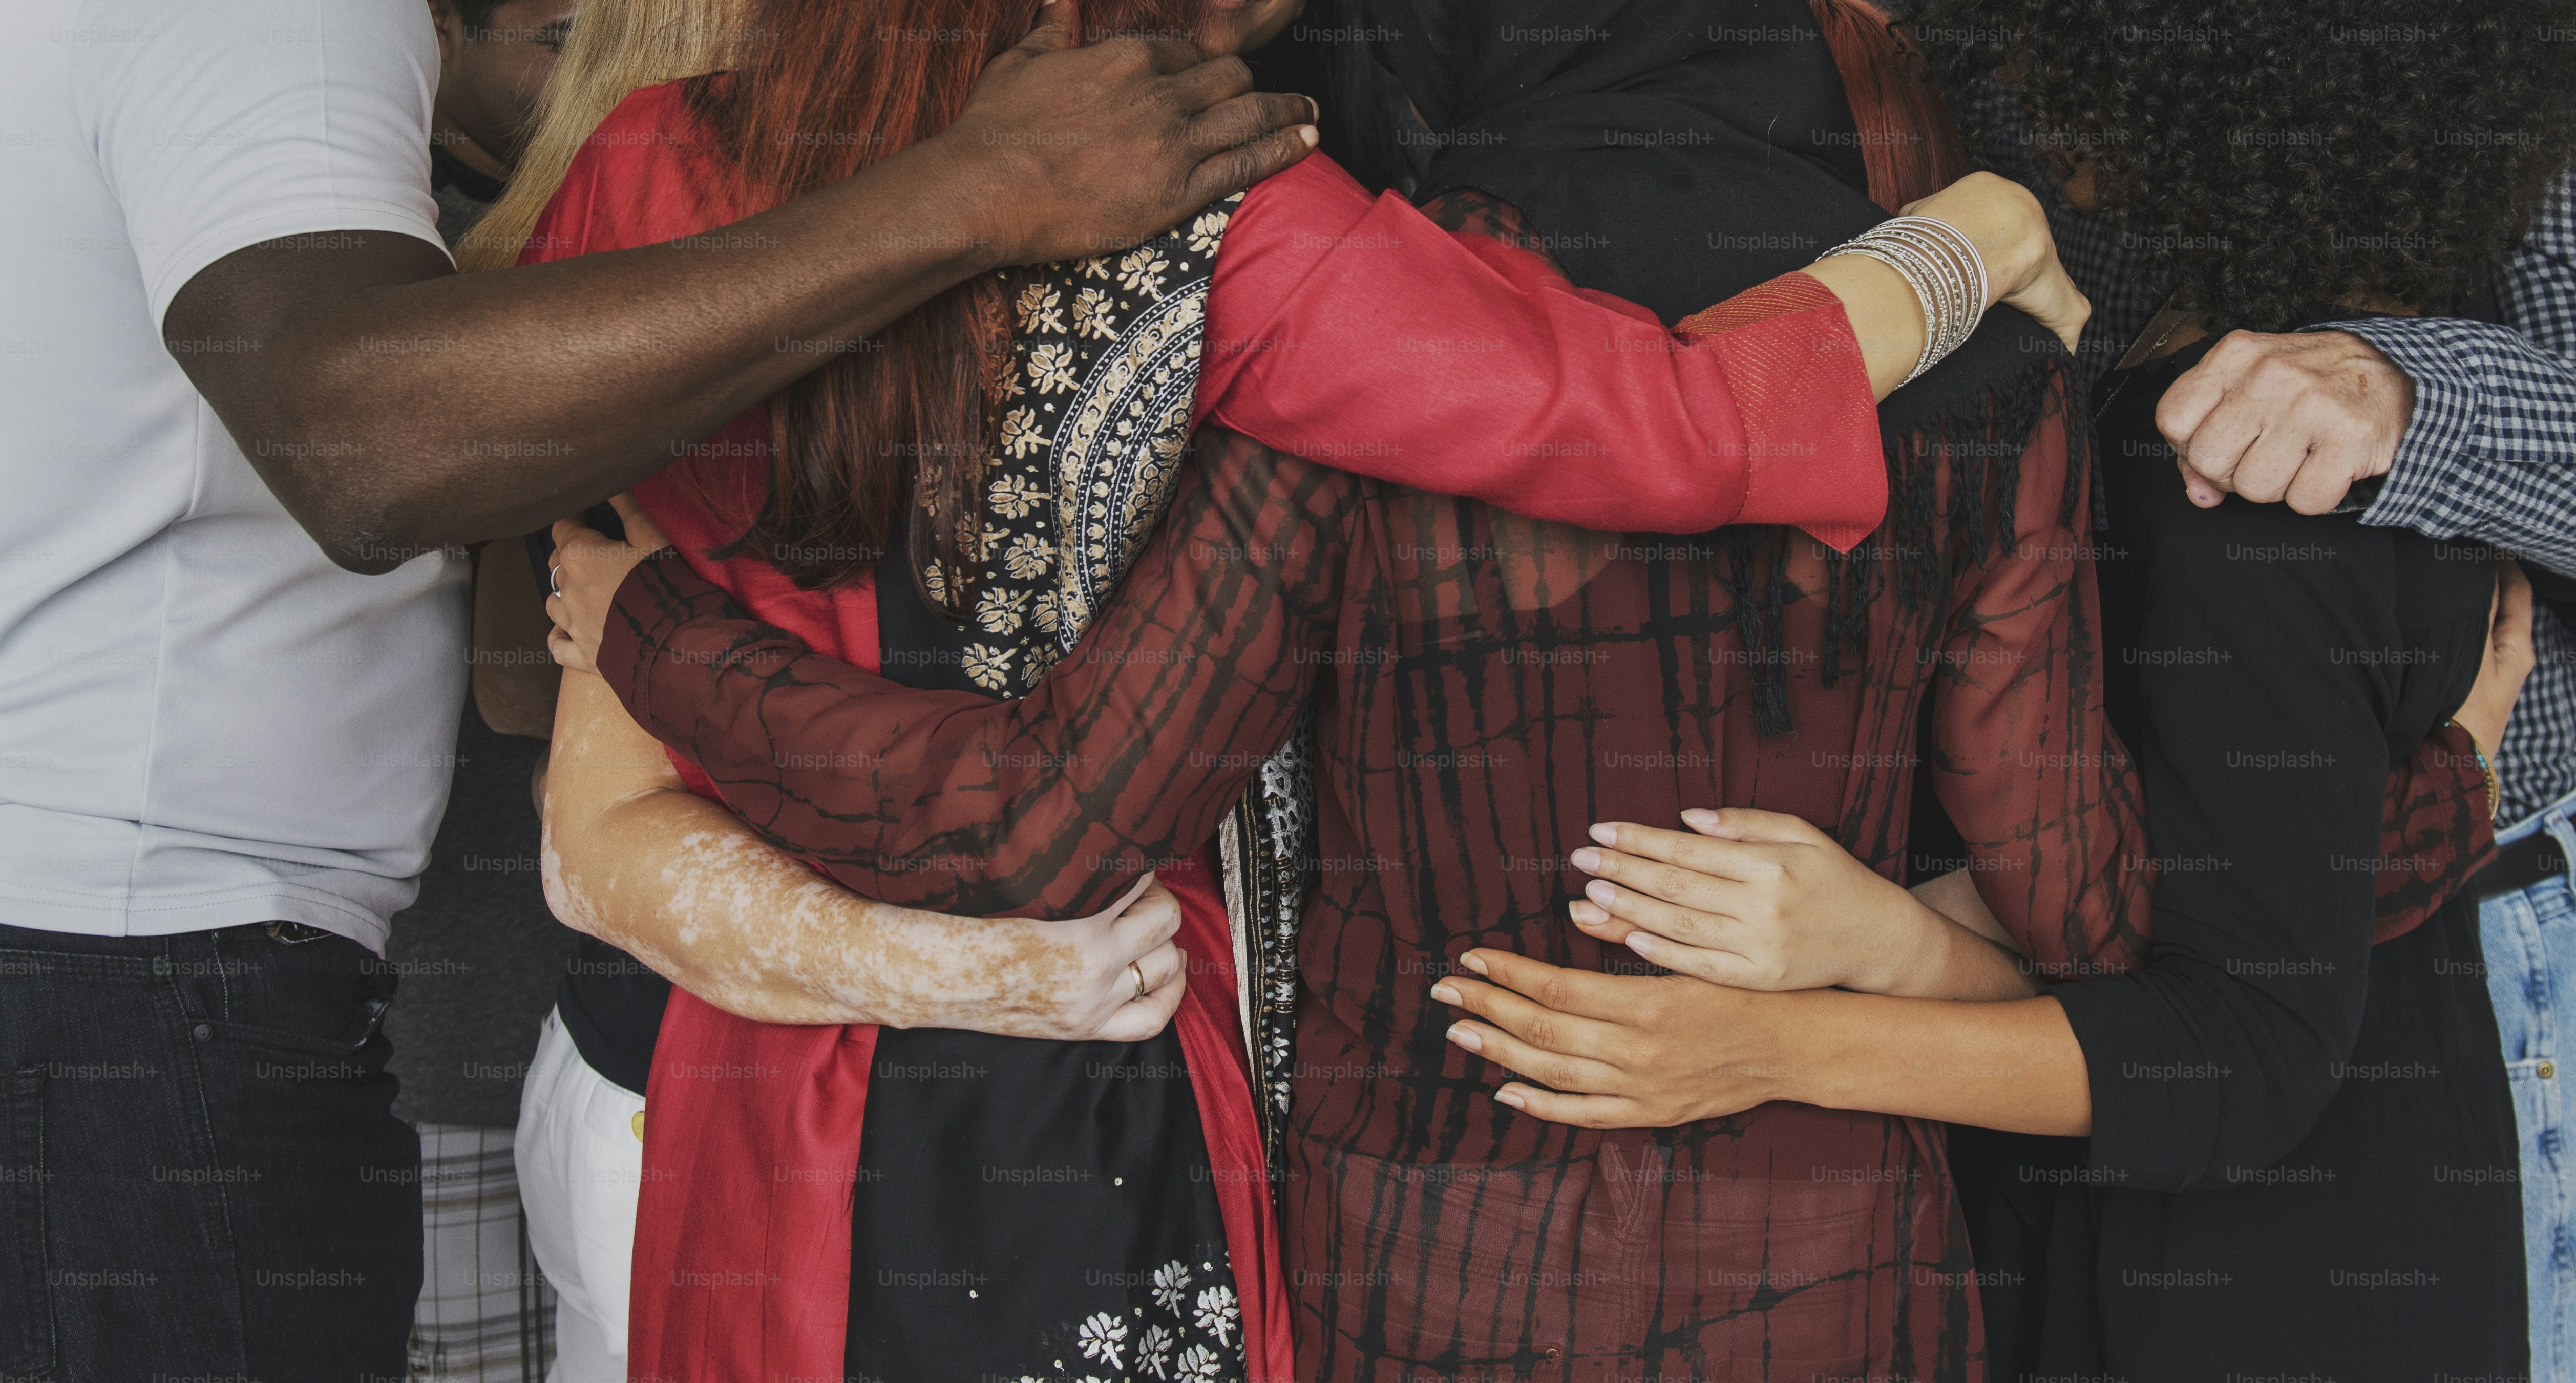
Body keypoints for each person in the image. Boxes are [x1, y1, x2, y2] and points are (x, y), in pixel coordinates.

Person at [533, 3, 2187, 1376]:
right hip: (1780, 1254)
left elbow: (1044, 806)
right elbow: (2092, 913)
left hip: (1351, 1235)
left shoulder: (650, 169)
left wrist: (644, 628)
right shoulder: (1988, 385)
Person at [0, 0, 1319, 1369]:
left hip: (192, 965)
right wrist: (977, 191)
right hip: (154, 971)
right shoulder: (309, 33)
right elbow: (370, 458)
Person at [1438, 5, 2569, 1377]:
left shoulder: (2237, 495)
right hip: (2211, 1070)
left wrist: (1776, 1041)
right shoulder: (2189, 388)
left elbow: (2243, 1045)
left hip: (2295, 1151)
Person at [1920, 4, 2576, 1371]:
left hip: (2435, 952)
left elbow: (2244, 1048)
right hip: (2142, 948)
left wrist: (2410, 400)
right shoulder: (2062, 123)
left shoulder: (2253, 504)